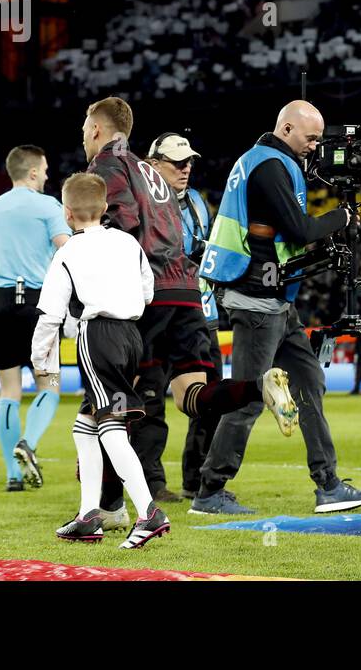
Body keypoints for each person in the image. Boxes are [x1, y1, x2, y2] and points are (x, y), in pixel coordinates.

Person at [82, 97, 299, 530]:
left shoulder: (110, 165)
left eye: (85, 129)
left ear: (98, 131)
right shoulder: (153, 175)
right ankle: (258, 387)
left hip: (150, 292)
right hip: (187, 291)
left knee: (111, 402)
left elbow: (119, 226)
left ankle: (108, 506)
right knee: (190, 395)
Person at [193, 99, 361, 515]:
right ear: (288, 128)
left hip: (274, 301)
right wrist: (342, 217)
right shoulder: (271, 166)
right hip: (257, 301)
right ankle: (209, 490)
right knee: (248, 397)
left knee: (309, 382)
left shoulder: (262, 160)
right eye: (311, 137)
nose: (316, 146)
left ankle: (328, 484)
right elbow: (299, 228)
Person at [35, 173, 167, 548]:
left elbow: (49, 315)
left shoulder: (68, 253)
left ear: (67, 212)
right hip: (131, 338)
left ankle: (148, 511)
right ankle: (88, 515)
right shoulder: (127, 242)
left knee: (110, 423)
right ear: (105, 207)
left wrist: (40, 361)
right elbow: (147, 290)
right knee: (86, 423)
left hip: (98, 337)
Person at [0, 145, 70, 491]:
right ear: (32, 172)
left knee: (9, 392)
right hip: (37, 302)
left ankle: (12, 476)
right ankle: (28, 443)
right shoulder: (48, 206)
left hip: (0, 301)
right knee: (48, 383)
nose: (47, 175)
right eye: (45, 169)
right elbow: (66, 247)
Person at [144, 132, 226, 500]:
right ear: (154, 164)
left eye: (189, 161)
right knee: (149, 400)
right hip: (156, 311)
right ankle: (153, 483)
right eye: (177, 162)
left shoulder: (196, 201)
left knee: (209, 397)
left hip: (200, 311)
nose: (186, 168)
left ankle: (199, 481)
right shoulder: (141, 201)